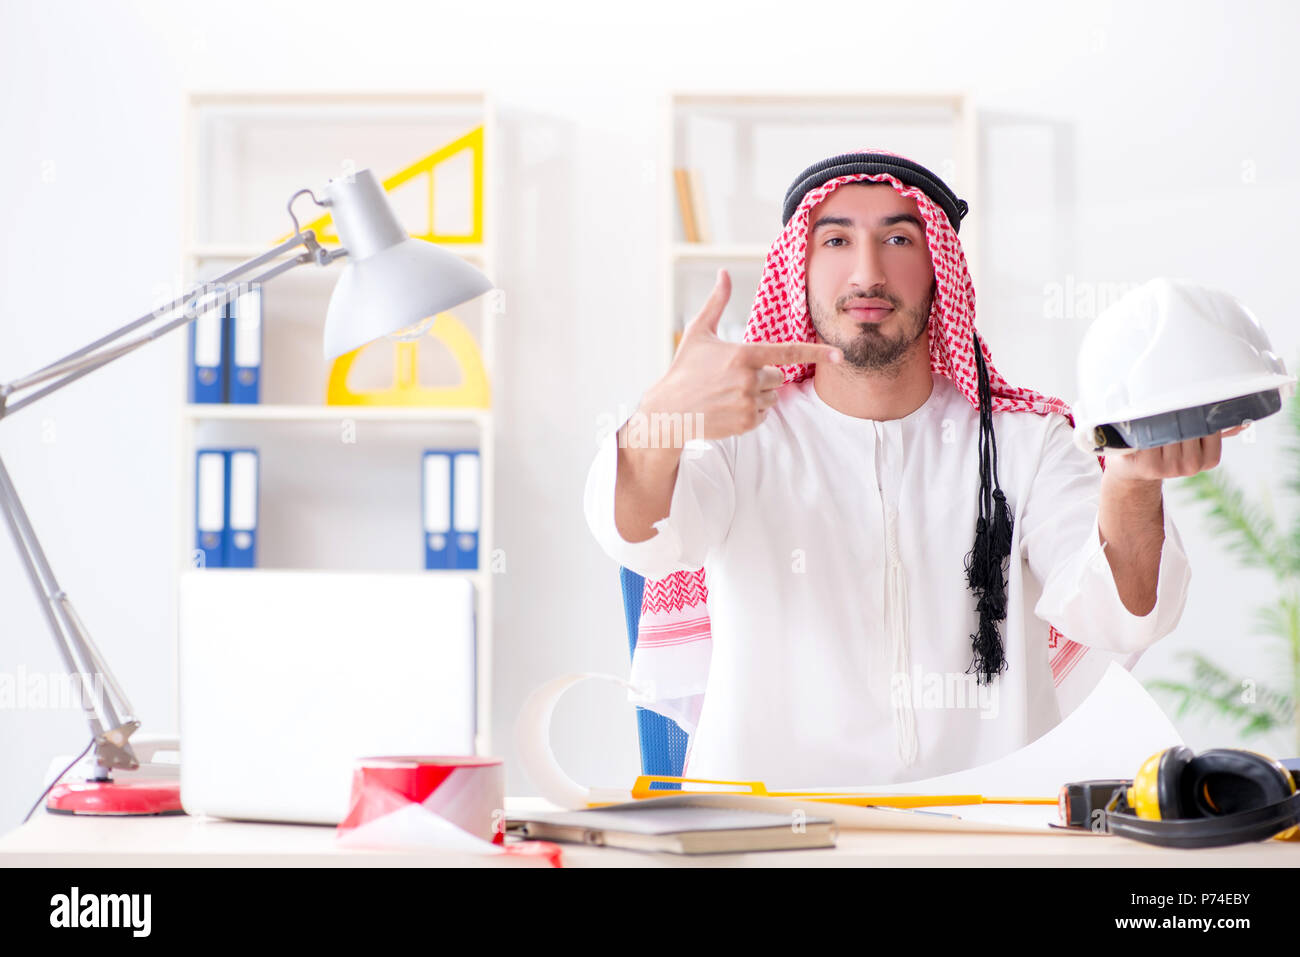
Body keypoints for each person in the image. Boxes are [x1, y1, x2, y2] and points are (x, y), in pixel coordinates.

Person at [584, 150, 1231, 788]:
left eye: (898, 237)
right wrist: (662, 417)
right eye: (835, 240)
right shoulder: (735, 436)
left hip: (989, 833)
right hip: (767, 837)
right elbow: (639, 537)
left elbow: (1121, 614)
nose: (867, 272)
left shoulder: (1025, 441)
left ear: (938, 272)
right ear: (798, 270)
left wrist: (1133, 480)